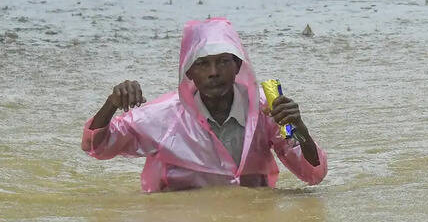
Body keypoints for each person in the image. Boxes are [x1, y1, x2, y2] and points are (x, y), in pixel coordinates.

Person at [82, 17, 328, 193]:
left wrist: (300, 128)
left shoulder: (266, 112)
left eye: (223, 62)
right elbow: (97, 147)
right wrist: (112, 103)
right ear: (188, 72)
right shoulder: (162, 117)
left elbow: (313, 174)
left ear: (238, 66)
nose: (213, 72)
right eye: (202, 64)